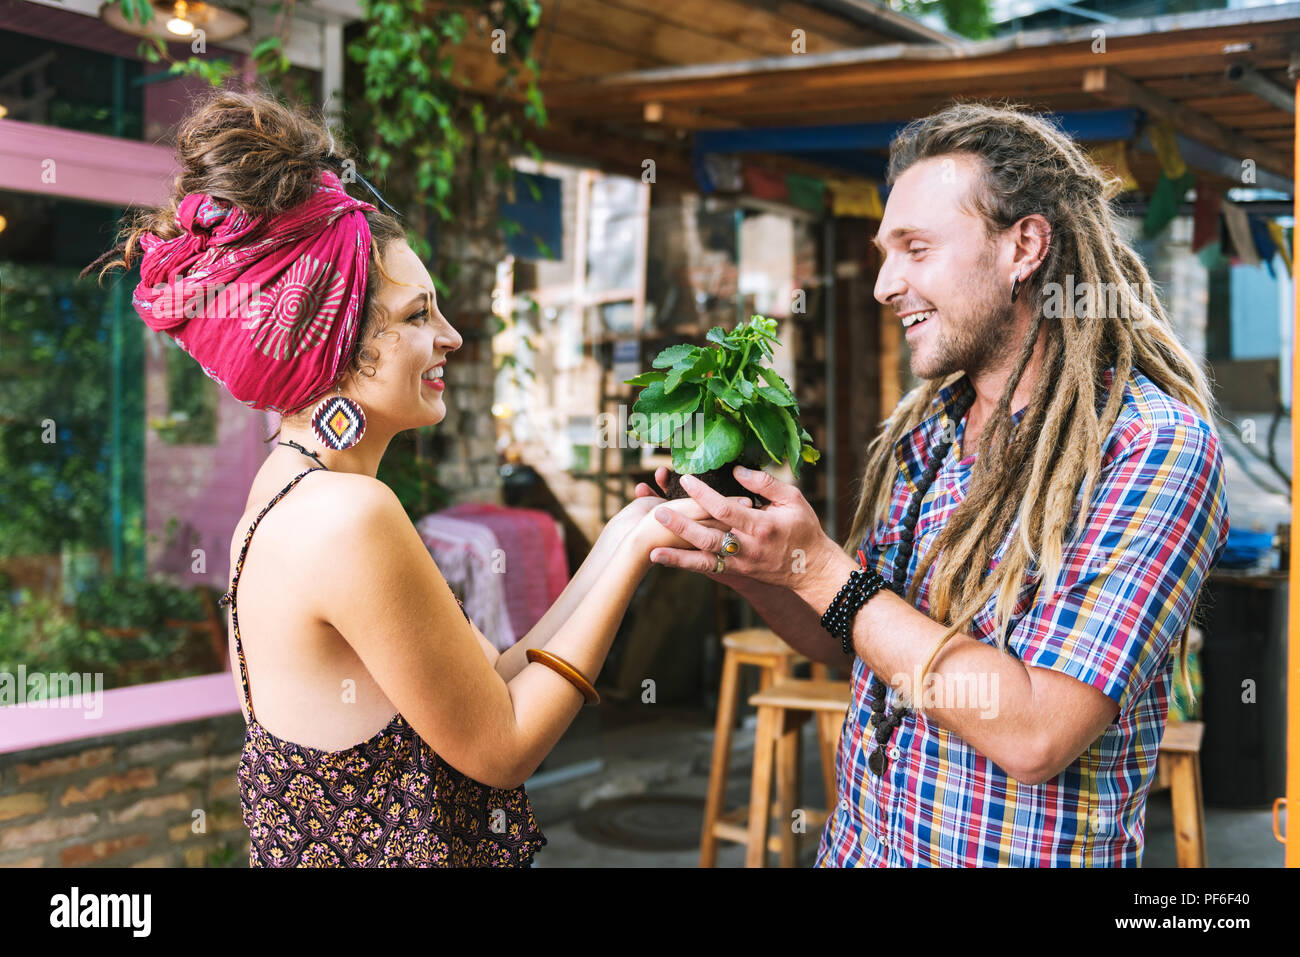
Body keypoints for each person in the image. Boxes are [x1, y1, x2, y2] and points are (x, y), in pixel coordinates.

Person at [82, 88, 732, 868]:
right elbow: (504, 745)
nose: (451, 336)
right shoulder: (349, 514)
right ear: (333, 339)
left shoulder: (291, 487)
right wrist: (632, 560)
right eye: (419, 315)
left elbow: (493, 681)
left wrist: (627, 534)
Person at [648, 101, 1230, 867]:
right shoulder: (927, 433)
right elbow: (855, 639)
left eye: (916, 249)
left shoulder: (1151, 447)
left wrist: (821, 568)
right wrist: (754, 560)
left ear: (1024, 246)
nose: (885, 284)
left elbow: (1036, 731)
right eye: (885, 253)